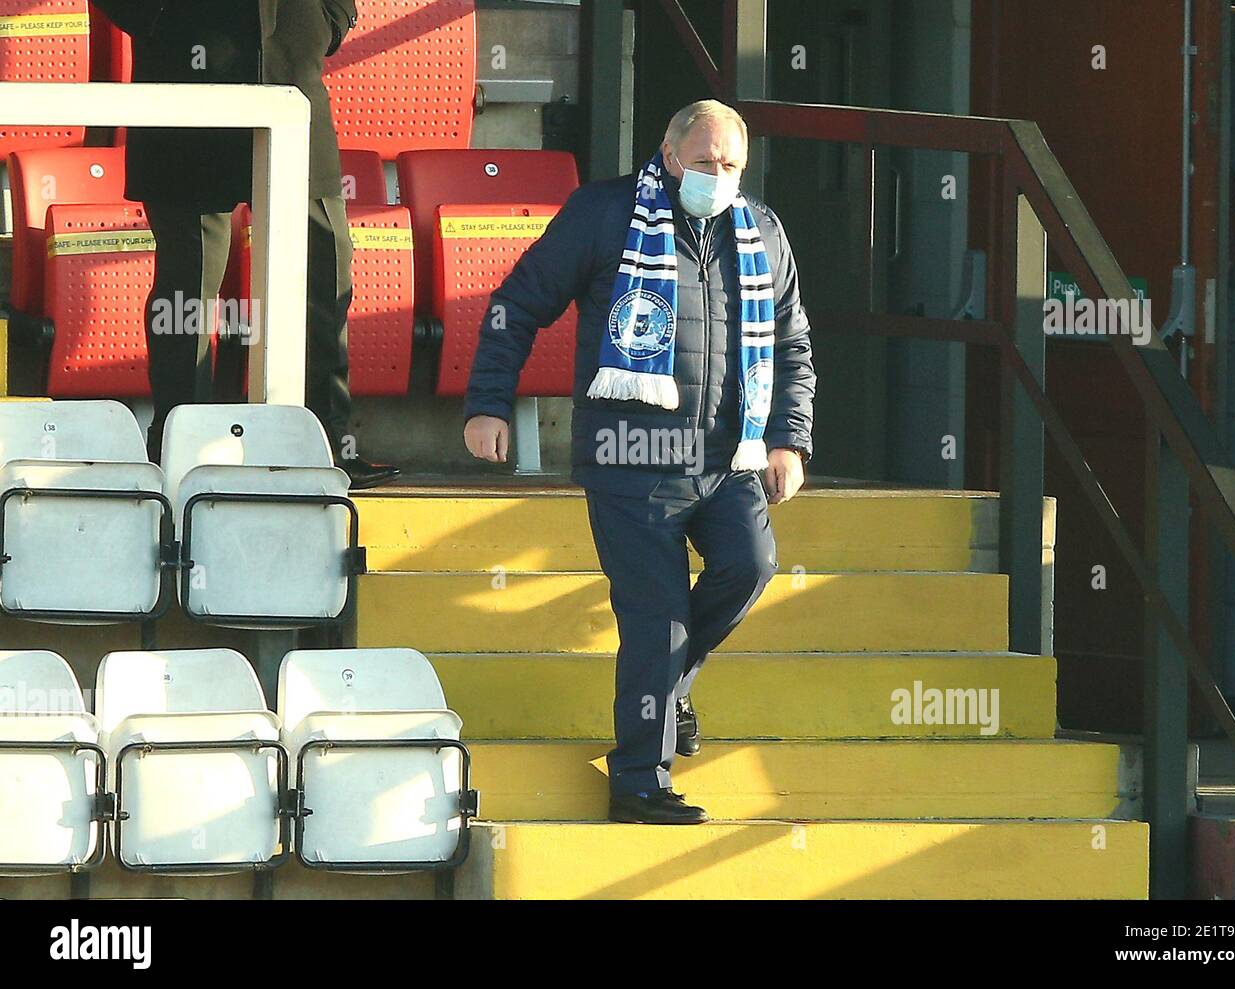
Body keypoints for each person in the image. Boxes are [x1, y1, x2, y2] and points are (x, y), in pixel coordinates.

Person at [464, 100, 816, 824]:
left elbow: (793, 346)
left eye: (730, 166)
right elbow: (516, 304)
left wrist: (789, 439)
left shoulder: (763, 233)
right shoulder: (603, 213)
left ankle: (671, 693)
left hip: (727, 459)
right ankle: (638, 779)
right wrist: (487, 404)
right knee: (657, 618)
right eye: (704, 161)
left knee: (749, 565)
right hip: (630, 460)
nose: (716, 177)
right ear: (668, 149)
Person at [90, 0, 398, 489]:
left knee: (324, 271)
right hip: (183, 89)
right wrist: (161, 18)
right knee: (187, 287)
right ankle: (177, 446)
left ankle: (324, 446)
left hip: (292, 82)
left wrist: (328, 19)